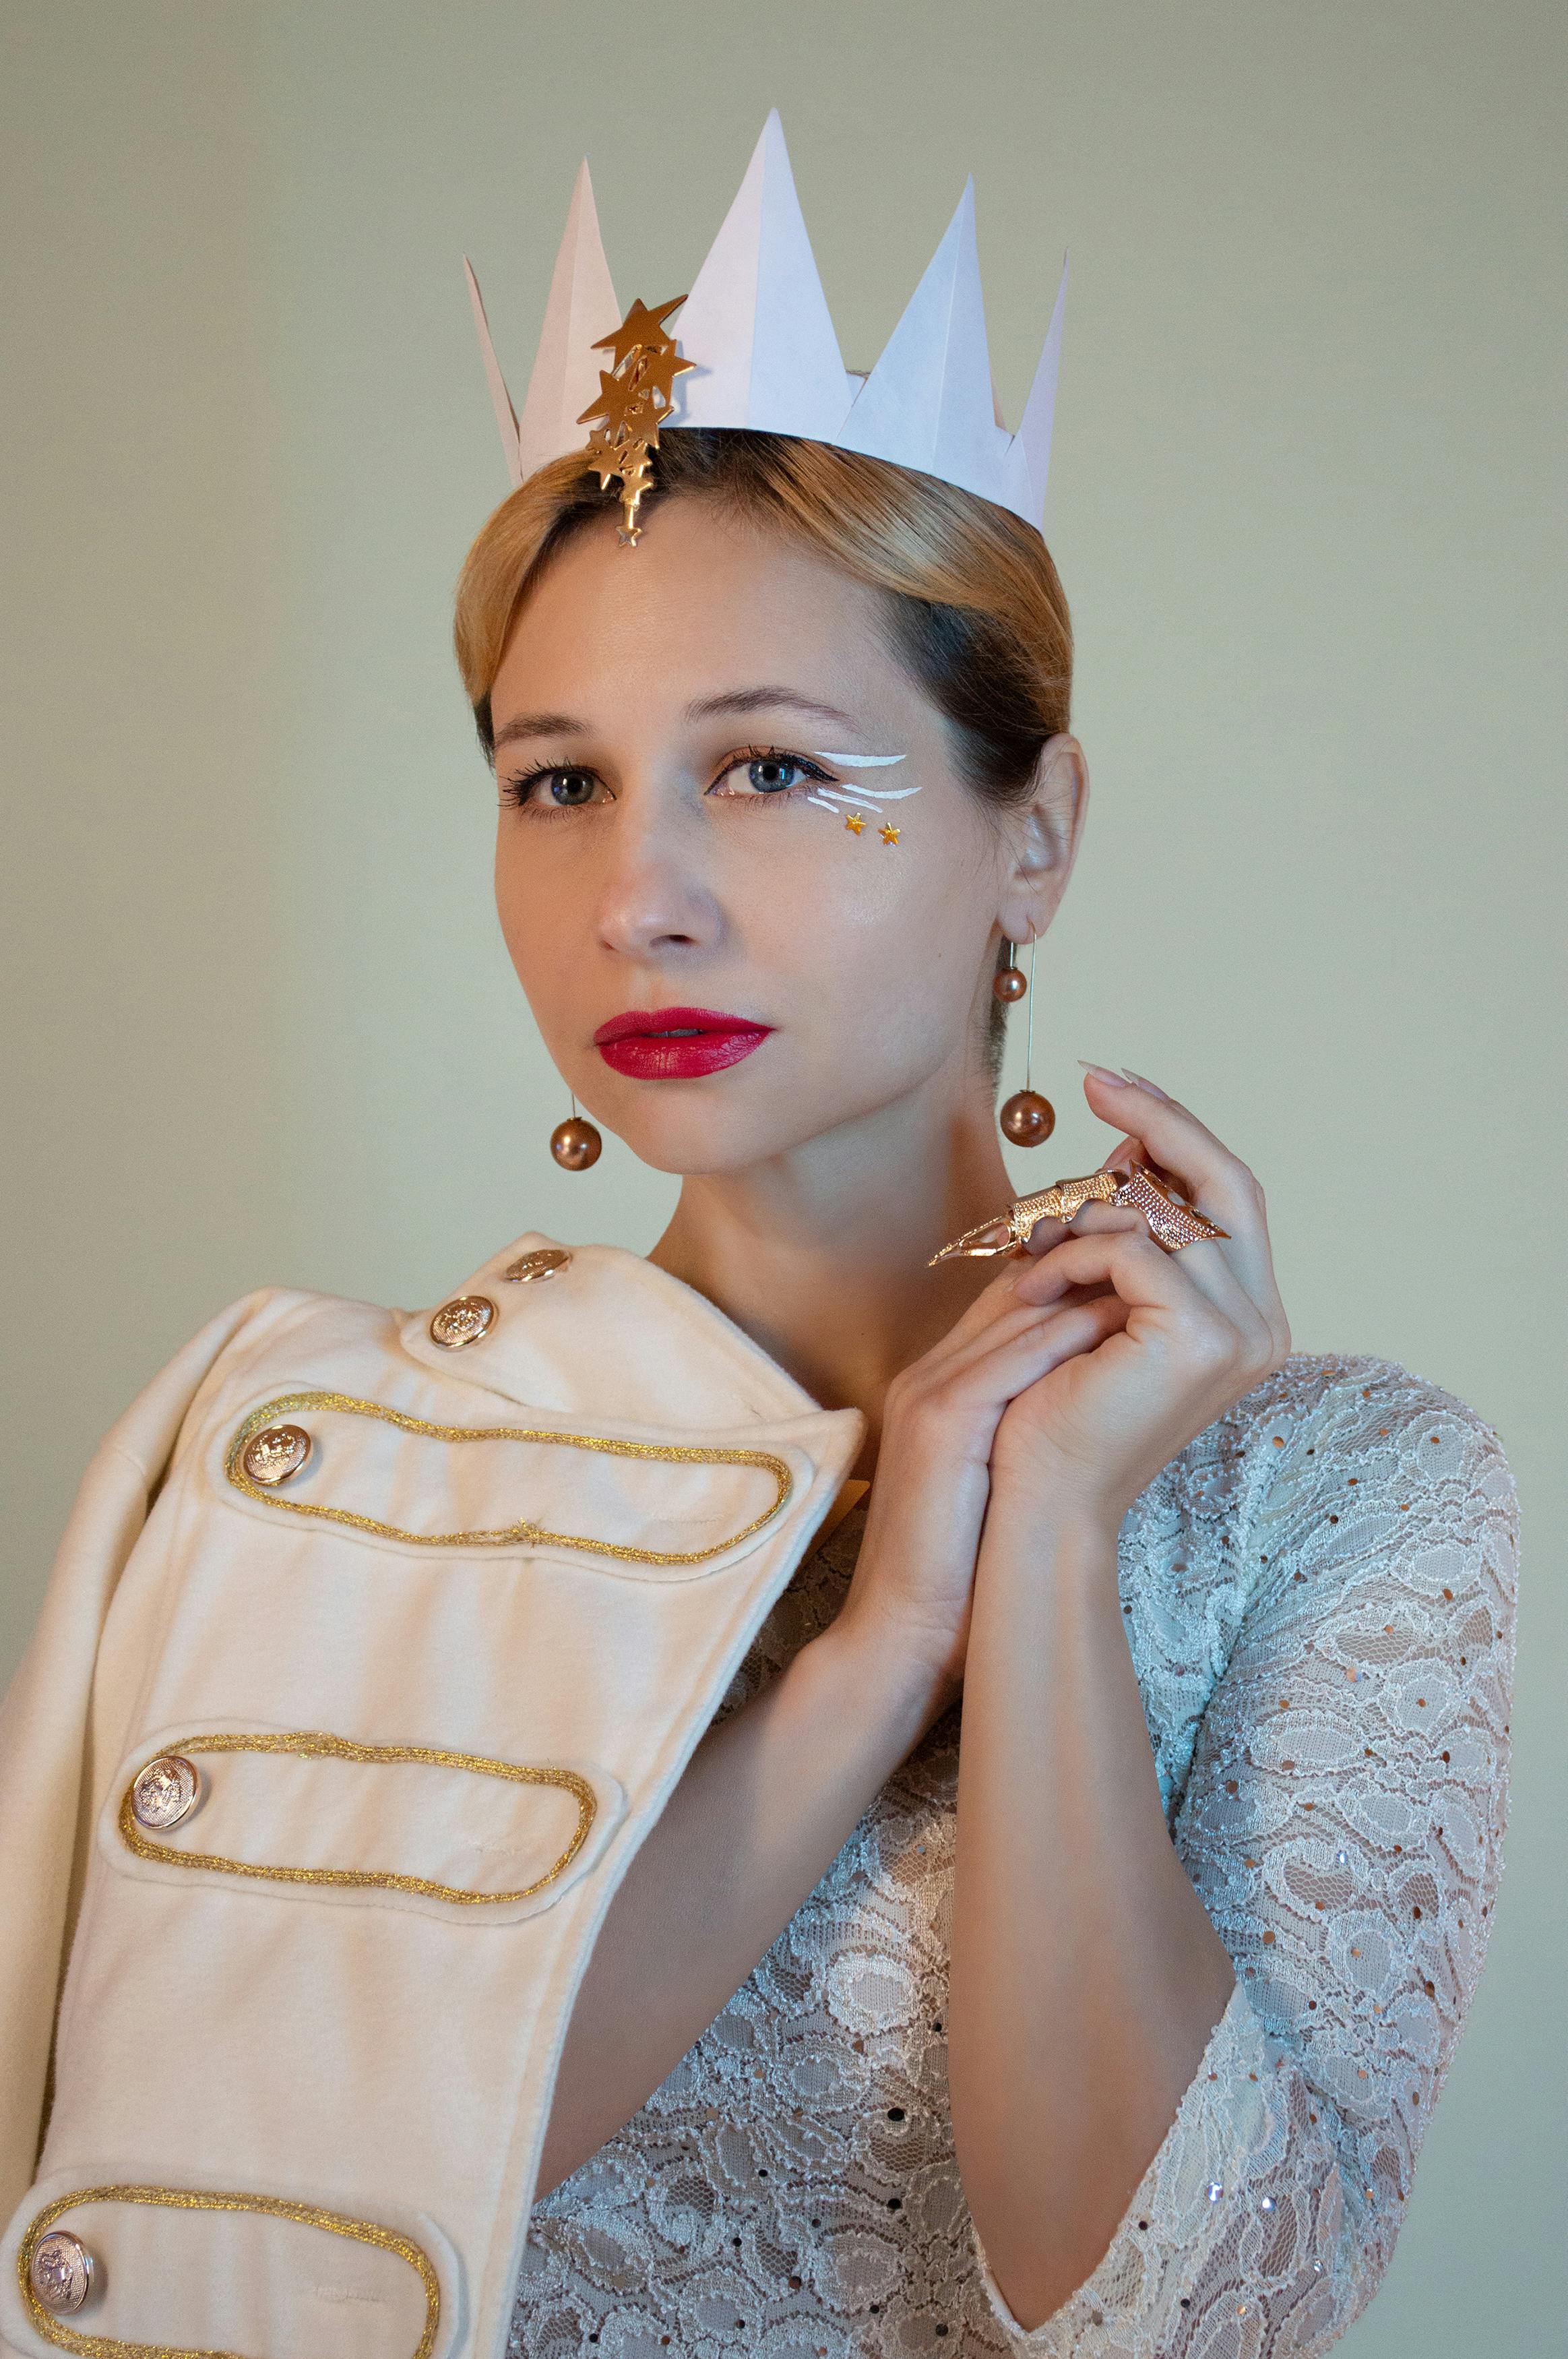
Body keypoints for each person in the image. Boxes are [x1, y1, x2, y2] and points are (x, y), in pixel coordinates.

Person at [0, 118, 1515, 2359]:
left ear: (1036, 832)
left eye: (776, 767)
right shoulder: (314, 1452)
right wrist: (872, 1648)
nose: (640, 895)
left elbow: (1181, 2321)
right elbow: (264, 2200)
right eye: (559, 780)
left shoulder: (1334, 1502)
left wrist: (1048, 1540)